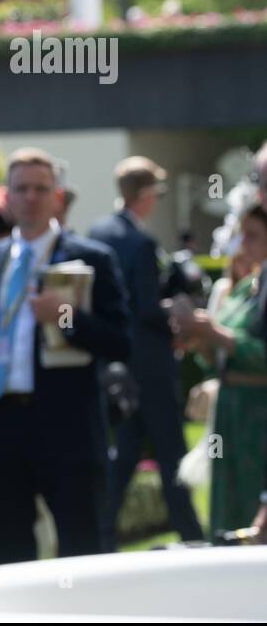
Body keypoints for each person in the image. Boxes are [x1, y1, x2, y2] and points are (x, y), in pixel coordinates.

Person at [0, 148, 130, 564]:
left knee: (82, 551)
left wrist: (66, 316)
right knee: (5, 558)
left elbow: (121, 341)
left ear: (57, 196)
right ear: (8, 198)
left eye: (41, 189)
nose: (31, 197)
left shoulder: (91, 258)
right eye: (21, 189)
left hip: (65, 428)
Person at [88, 157, 203, 548]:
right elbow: (147, 307)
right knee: (171, 451)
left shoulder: (98, 232)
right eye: (155, 192)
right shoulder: (140, 243)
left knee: (125, 452)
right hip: (150, 365)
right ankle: (192, 534)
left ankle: (101, 536)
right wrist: (180, 310)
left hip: (115, 363)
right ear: (144, 194)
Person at [173, 203, 267, 538]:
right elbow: (217, 361)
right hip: (230, 414)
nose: (244, 243)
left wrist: (216, 334)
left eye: (254, 235)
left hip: (258, 416)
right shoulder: (247, 287)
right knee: (227, 507)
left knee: (255, 508)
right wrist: (200, 340)